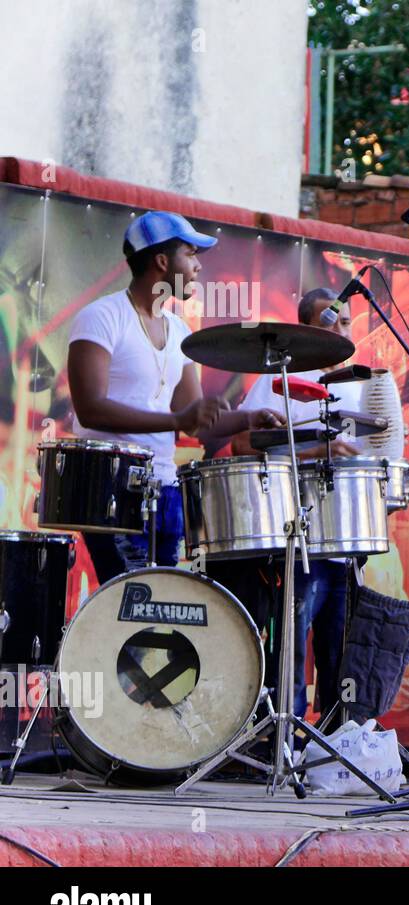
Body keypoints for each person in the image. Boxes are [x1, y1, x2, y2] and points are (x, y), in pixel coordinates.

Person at [66, 211, 282, 584]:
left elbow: (192, 420)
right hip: (113, 490)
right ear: (162, 261)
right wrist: (176, 421)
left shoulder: (180, 331)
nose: (198, 266)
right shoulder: (101, 317)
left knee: (160, 609)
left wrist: (249, 418)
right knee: (128, 605)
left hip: (164, 488)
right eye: (190, 254)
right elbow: (90, 410)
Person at [225, 288, 365, 725]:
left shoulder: (361, 387)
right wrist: (312, 452)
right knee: (291, 644)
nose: (342, 329)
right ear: (307, 327)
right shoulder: (275, 380)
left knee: (340, 652)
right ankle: (281, 737)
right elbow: (240, 444)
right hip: (296, 537)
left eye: (346, 321)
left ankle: (336, 745)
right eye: (331, 320)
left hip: (345, 540)